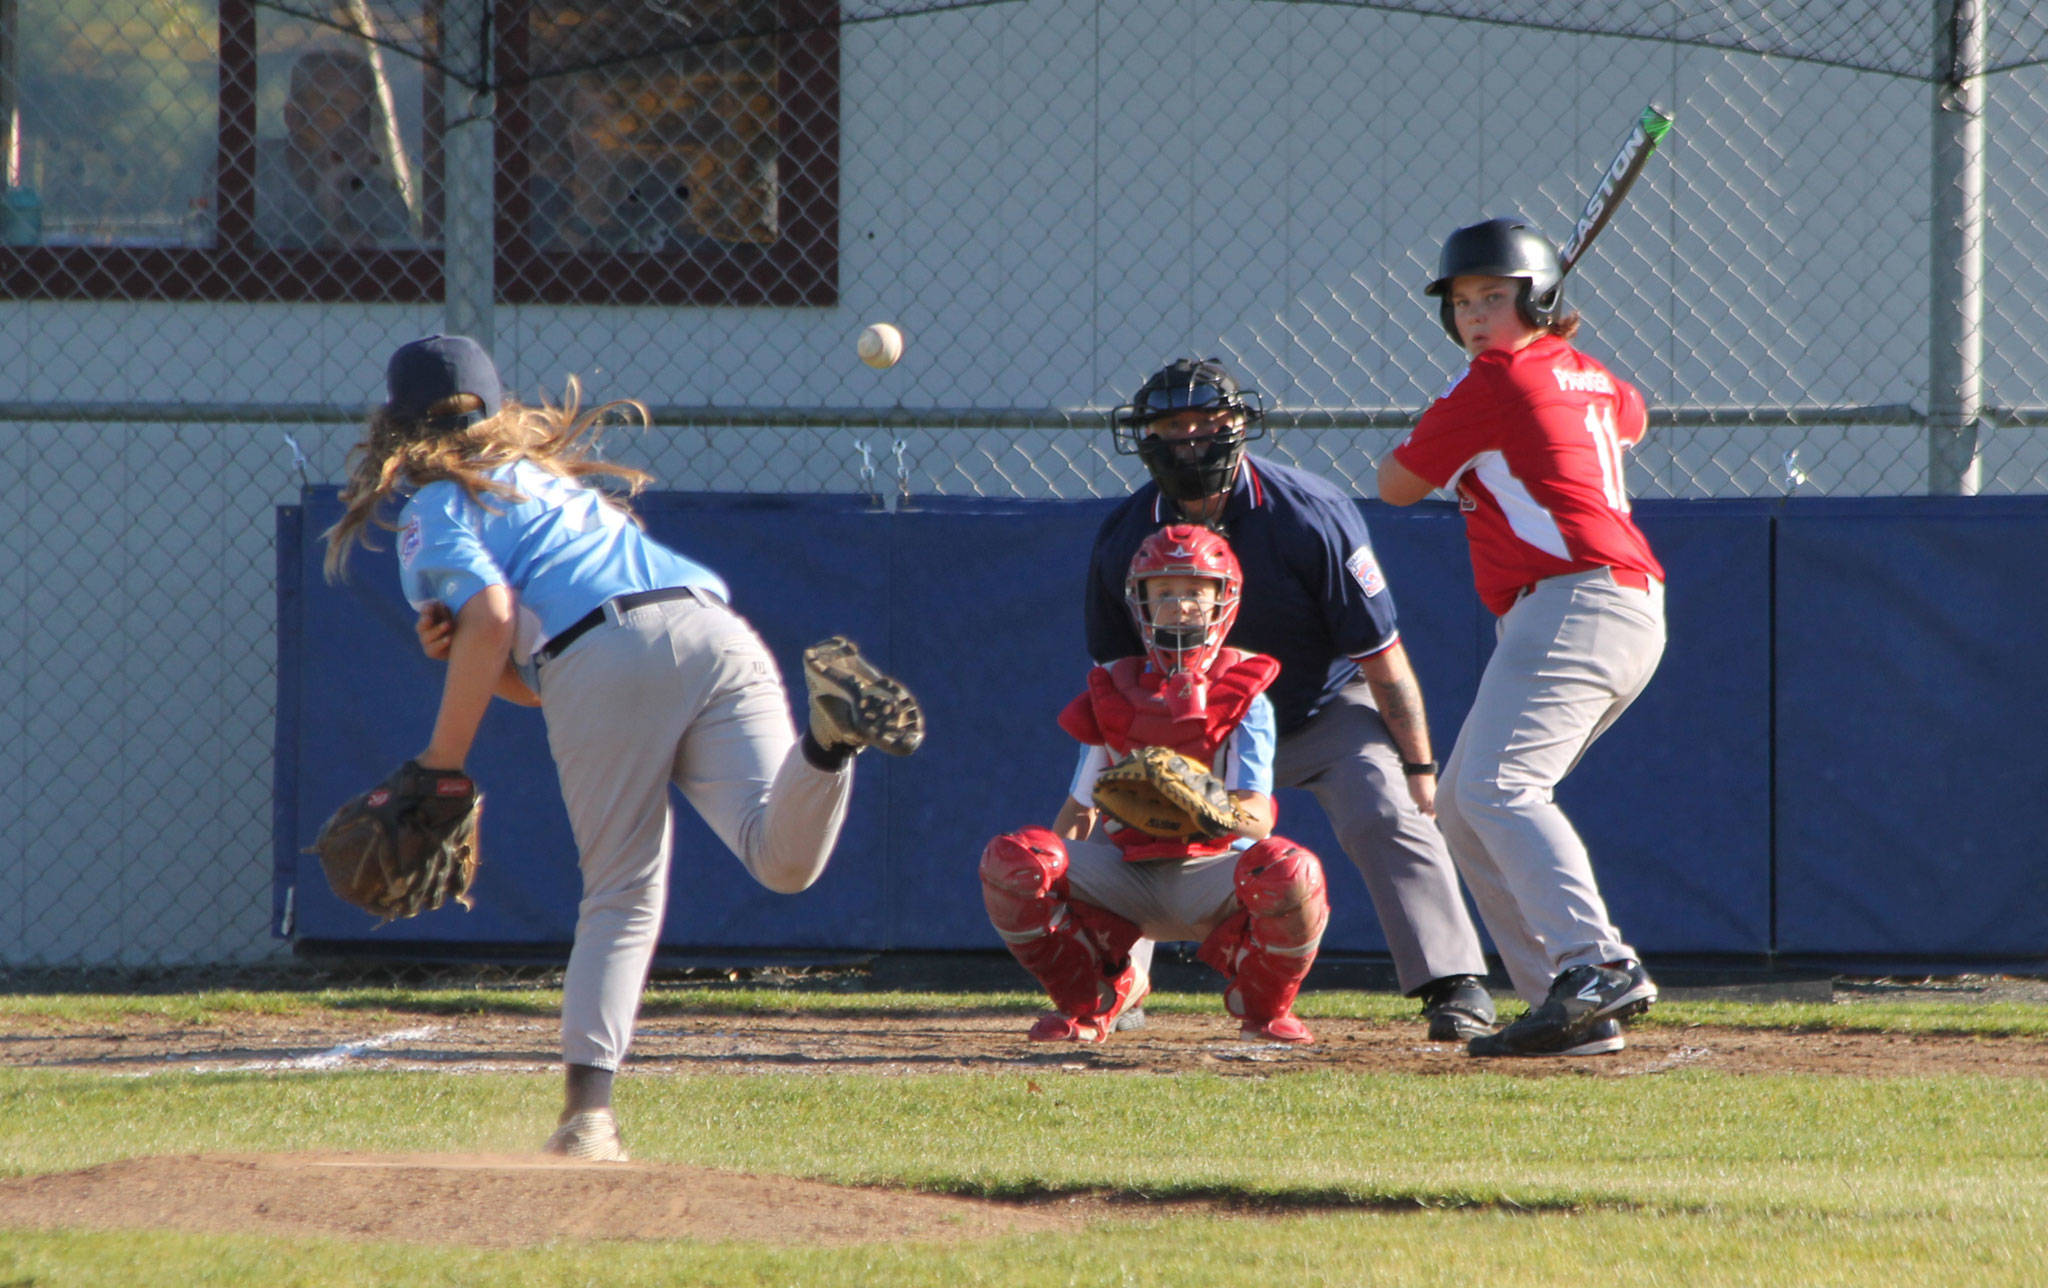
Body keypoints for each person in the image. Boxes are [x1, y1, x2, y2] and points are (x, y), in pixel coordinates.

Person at [323, 335, 924, 1157]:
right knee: (782, 860)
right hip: (713, 630)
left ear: (395, 426)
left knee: (622, 892)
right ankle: (827, 741)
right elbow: (538, 669)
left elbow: (499, 619)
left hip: (601, 652)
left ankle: (587, 1122)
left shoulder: (436, 503)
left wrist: (443, 762)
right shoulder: (546, 482)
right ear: (495, 408)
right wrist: (473, 654)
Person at [1086, 358, 1495, 1041]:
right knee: (1126, 811)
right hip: (1185, 722)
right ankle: (1112, 978)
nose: (1188, 439)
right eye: (1171, 426)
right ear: (1145, 437)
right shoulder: (1125, 534)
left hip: (1314, 707)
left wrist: (1420, 768)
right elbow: (1113, 675)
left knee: (1384, 806)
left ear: (1237, 425)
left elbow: (1382, 656)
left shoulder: (1308, 513)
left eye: (1204, 423)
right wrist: (1101, 781)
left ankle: (1453, 980)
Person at [1377, 216, 1666, 1058]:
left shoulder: (1494, 380)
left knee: (1501, 788)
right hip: (1611, 606)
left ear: (1538, 298)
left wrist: (1471, 394)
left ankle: (1597, 963)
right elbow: (1634, 417)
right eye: (1463, 301)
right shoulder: (1586, 372)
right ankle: (1569, 1012)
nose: (1473, 315)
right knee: (1465, 807)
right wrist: (1543, 351)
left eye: (1494, 298)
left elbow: (1395, 484)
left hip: (1576, 599)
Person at [983, 524, 1329, 1043]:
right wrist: (1048, 883)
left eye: (1194, 590)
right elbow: (1078, 813)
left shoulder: (1246, 694)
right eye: (1163, 590)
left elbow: (1258, 817)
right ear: (1140, 602)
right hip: (1128, 872)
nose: (1179, 604)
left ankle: (1262, 1009)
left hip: (1211, 873)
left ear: (1223, 600)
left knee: (1291, 871)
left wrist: (1201, 802)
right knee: (1016, 859)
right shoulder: (1115, 688)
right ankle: (1092, 999)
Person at [255, 50, 414, 250]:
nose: (350, 127)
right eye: (333, 111)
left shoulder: (381, 197)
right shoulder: (252, 172)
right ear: (293, 116)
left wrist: (332, 196)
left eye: (360, 114)